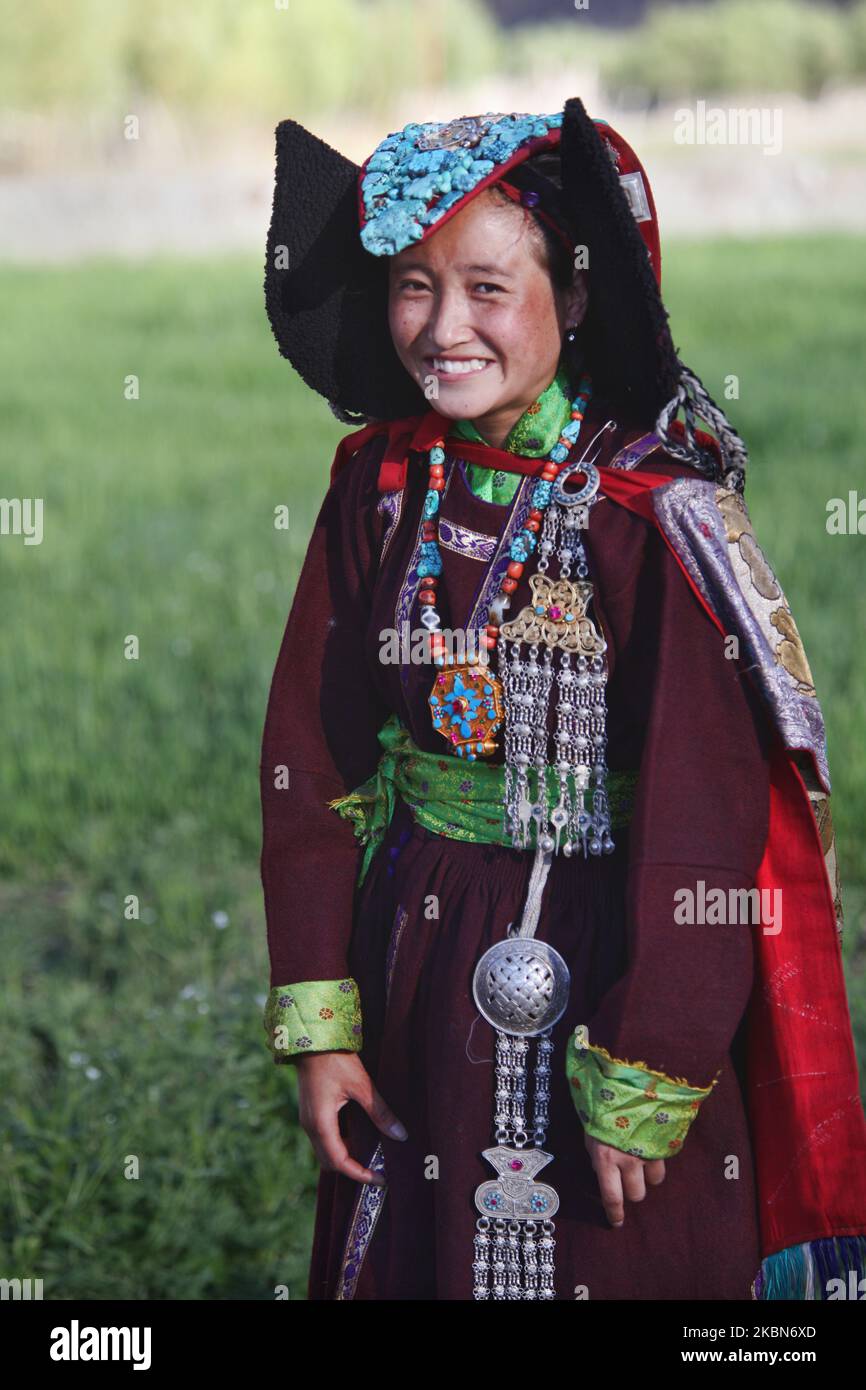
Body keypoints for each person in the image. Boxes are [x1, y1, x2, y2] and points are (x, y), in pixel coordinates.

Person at [259, 99, 866, 1301]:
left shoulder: (652, 515)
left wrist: (653, 1063)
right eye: (412, 287)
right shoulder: (378, 484)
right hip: (414, 959)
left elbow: (703, 815)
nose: (441, 328)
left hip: (606, 972)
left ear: (572, 298)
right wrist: (325, 1023)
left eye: (487, 287)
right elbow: (310, 758)